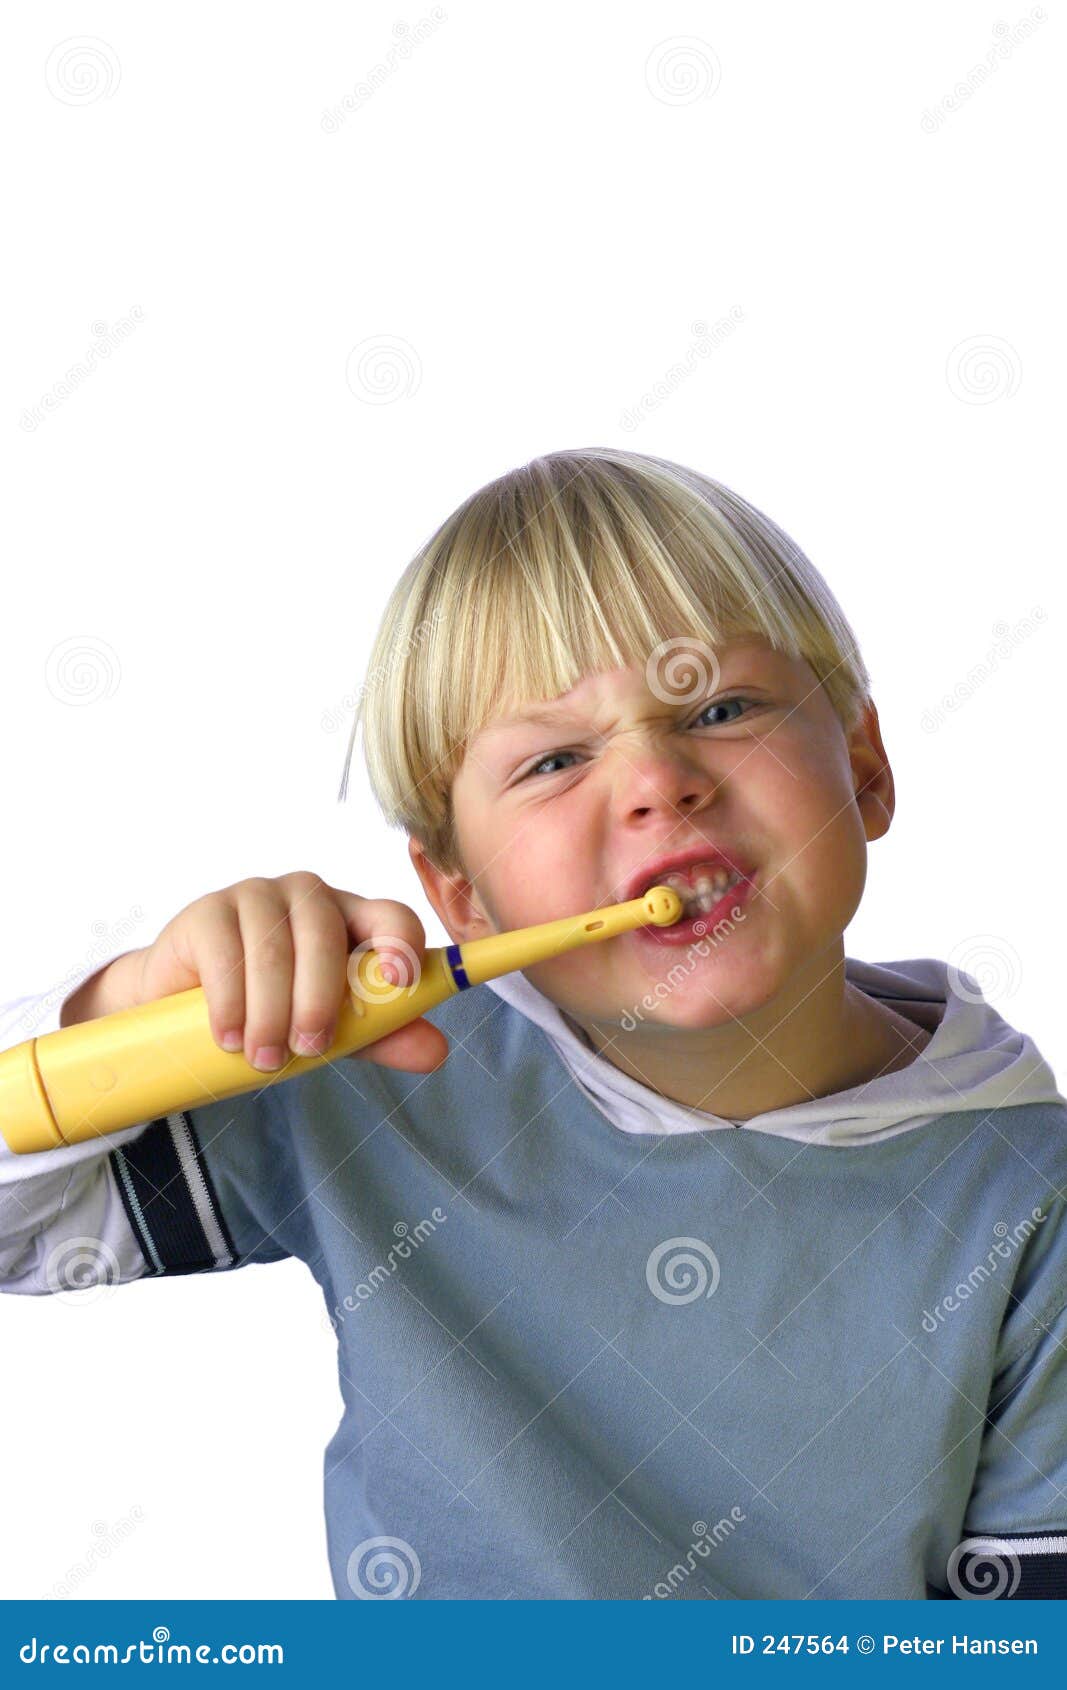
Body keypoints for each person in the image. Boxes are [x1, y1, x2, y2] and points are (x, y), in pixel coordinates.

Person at [2, 447, 1065, 1601]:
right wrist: (131, 1009)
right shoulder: (376, 1073)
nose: (657, 781)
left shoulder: (1027, 1200)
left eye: (720, 708)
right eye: (555, 760)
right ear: (458, 893)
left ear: (862, 769)